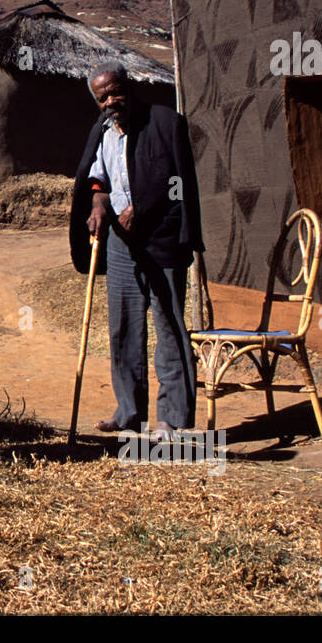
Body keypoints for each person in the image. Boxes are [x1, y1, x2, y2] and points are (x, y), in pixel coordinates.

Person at [69, 62, 205, 437]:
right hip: (121, 246)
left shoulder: (165, 123)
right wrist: (98, 208)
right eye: (103, 97)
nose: (111, 100)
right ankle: (129, 412)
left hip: (163, 241)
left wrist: (142, 209)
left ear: (127, 85)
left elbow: (180, 182)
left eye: (115, 91)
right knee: (124, 330)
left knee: (169, 328)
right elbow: (98, 181)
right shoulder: (103, 132)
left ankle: (172, 419)